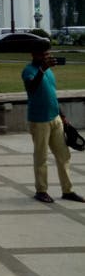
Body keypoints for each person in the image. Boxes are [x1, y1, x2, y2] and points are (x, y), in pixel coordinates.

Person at [22, 41, 84, 204]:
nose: (47, 57)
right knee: (41, 156)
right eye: (43, 55)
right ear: (34, 55)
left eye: (48, 54)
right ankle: (41, 191)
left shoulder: (49, 72)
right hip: (39, 120)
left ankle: (68, 190)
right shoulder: (29, 70)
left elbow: (51, 94)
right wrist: (42, 70)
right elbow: (32, 88)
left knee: (63, 155)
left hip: (54, 118)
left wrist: (62, 115)